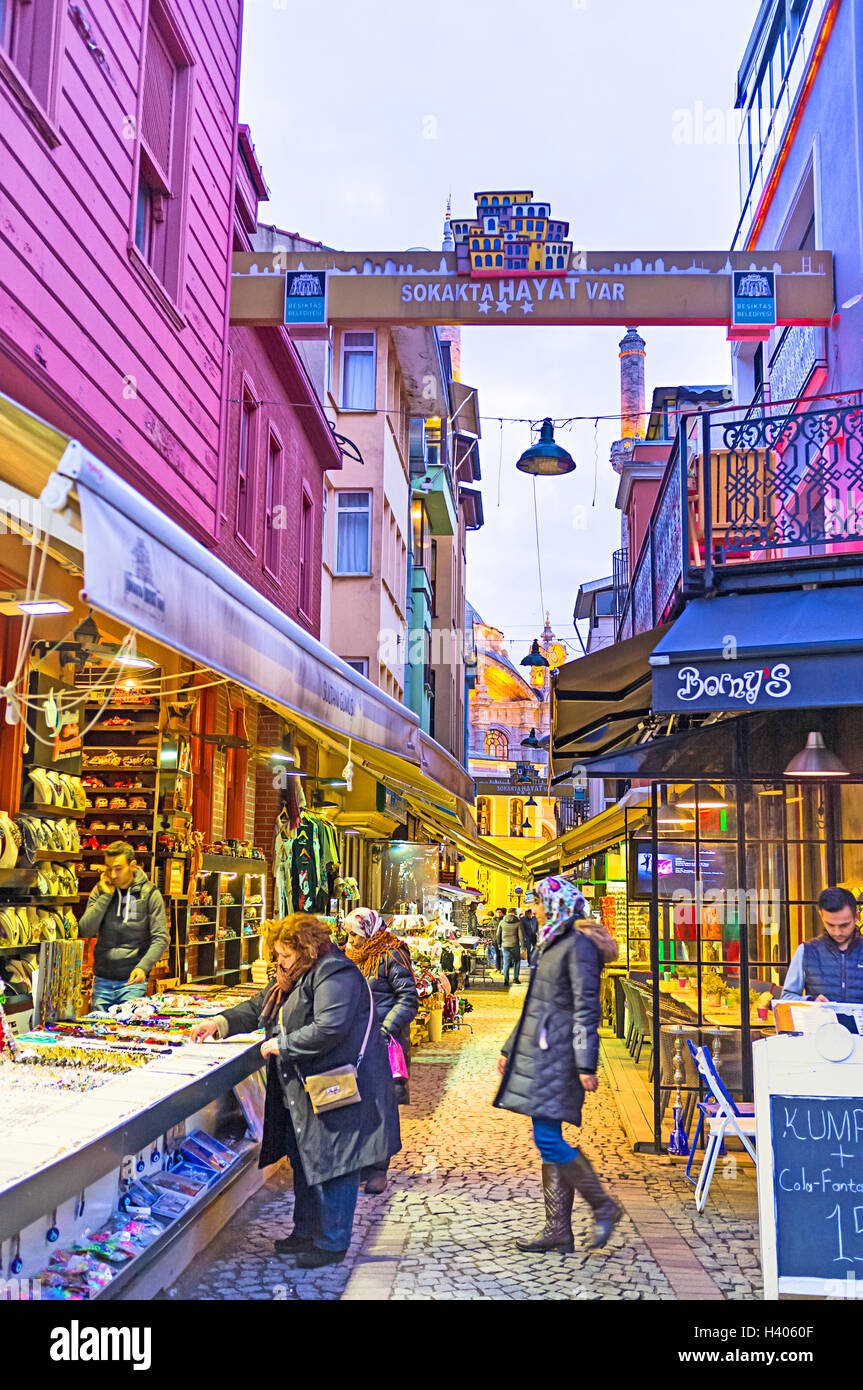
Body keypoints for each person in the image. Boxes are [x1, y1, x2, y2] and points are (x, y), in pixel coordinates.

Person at [190, 914, 400, 1268]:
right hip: (306, 1086)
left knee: (336, 1164)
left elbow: (329, 1027)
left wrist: (283, 1045)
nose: (279, 962)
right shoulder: (293, 976)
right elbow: (258, 1007)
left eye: (283, 955)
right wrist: (219, 1023)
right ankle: (305, 1232)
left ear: (304, 949)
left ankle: (331, 1243)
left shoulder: (336, 973)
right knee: (306, 1159)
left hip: (336, 1085)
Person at [493, 876, 621, 1253]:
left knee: (548, 1138)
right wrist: (509, 1047)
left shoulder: (577, 945)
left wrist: (586, 1063)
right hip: (542, 1052)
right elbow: (535, 1004)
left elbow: (586, 1008)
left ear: (553, 905)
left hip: (559, 1055)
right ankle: (558, 1231)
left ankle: (603, 1206)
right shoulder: (554, 940)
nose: (531, 909)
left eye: (536, 903)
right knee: (546, 1139)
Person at [344, 906, 418, 1195]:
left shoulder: (392, 953)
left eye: (354, 934)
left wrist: (385, 1029)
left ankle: (378, 1168)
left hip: (383, 1042)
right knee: (356, 1100)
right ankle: (361, 1161)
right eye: (347, 933)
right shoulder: (349, 955)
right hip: (353, 1040)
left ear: (369, 930)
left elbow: (408, 998)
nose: (349, 939)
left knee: (381, 1103)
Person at [78, 841, 168, 1012]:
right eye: (109, 868)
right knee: (96, 1034)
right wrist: (105, 896)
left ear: (132, 866)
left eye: (118, 869)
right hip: (102, 981)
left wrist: (143, 967)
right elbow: (86, 929)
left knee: (126, 1033)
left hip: (132, 982)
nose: (112, 875)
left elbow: (161, 938)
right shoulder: (100, 890)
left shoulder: (150, 894)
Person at [781, 886, 863, 1002]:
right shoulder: (806, 951)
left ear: (856, 917)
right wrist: (811, 1003)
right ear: (821, 916)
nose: (837, 932)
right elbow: (787, 997)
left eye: (844, 925)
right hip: (819, 1020)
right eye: (830, 925)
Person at [499, 907, 525, 985]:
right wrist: (523, 946)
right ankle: (515, 978)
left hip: (505, 945)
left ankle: (506, 981)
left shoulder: (502, 922)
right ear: (514, 912)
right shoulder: (518, 922)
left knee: (506, 963)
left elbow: (498, 934)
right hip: (515, 945)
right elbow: (521, 935)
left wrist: (498, 944)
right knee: (517, 961)